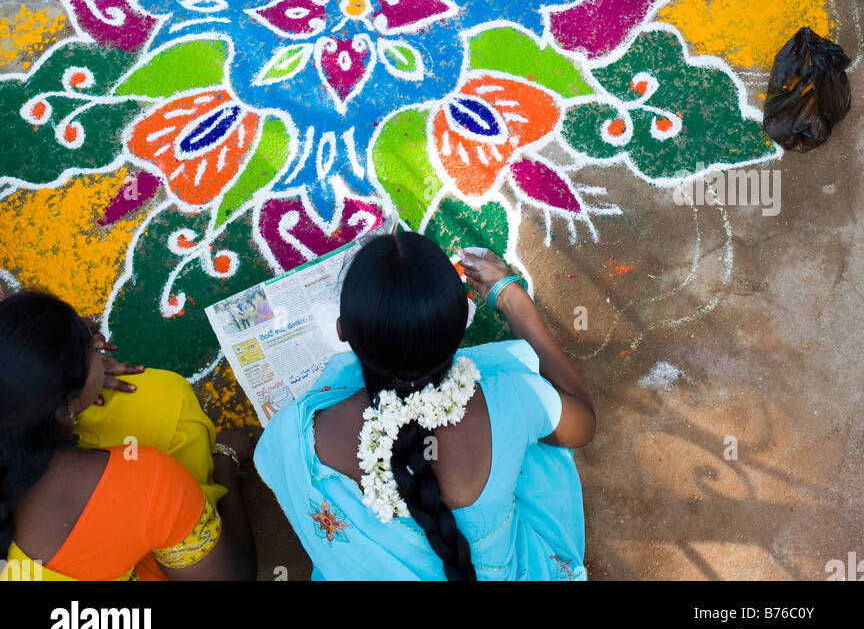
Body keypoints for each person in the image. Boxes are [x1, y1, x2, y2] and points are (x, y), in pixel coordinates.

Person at [255, 232, 595, 581]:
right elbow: (582, 421)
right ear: (461, 326)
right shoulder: (516, 399)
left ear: (343, 332)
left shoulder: (297, 435)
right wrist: (511, 296)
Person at [0, 290, 256, 581]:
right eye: (93, 351)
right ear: (65, 406)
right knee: (167, 399)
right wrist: (225, 462)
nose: (98, 341)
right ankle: (191, 526)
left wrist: (68, 360)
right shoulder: (148, 479)